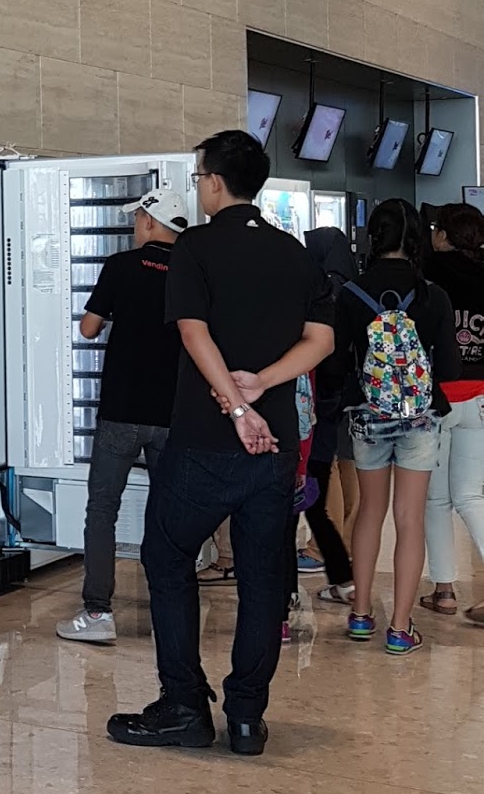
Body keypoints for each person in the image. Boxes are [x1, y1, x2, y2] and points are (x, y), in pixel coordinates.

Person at [107, 130, 334, 757]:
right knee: (264, 576)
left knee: (167, 555)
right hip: (277, 444)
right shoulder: (295, 253)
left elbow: (192, 331)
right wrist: (261, 385)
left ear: (212, 182)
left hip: (207, 441)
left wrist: (234, 406)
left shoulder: (196, 249)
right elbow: (321, 341)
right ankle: (244, 717)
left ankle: (183, 705)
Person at [57, 187, 189, 644]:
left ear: (150, 223)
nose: (135, 226)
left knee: (103, 509)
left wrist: (126, 317)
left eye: (137, 219)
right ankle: (168, 609)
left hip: (120, 411)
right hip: (172, 415)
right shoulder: (191, 271)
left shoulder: (120, 267)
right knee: (167, 512)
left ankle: (98, 613)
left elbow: (89, 327)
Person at [337, 200, 459, 654]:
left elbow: (335, 363)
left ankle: (362, 614)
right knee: (409, 520)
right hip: (420, 419)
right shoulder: (433, 295)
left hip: (368, 415)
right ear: (415, 240)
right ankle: (401, 628)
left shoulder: (351, 292)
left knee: (370, 512)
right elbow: (447, 364)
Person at [421, 203, 484, 625]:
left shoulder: (427, 277)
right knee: (471, 495)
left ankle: (444, 590)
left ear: (443, 236)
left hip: (438, 398)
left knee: (436, 499)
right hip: (480, 397)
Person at [300, 226, 358, 602]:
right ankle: (344, 569)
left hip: (313, 406)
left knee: (305, 490)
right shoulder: (354, 292)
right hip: (344, 403)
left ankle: (317, 559)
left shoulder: (317, 293)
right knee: (334, 481)